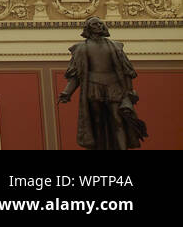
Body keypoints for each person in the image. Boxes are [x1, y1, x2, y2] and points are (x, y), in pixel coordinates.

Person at [58, 17, 147, 150]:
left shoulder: (115, 46)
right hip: (94, 86)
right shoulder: (82, 48)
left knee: (118, 119)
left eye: (101, 23)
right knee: (97, 122)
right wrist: (67, 92)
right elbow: (76, 75)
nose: (99, 26)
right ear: (88, 28)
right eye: (95, 24)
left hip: (114, 86)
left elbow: (126, 71)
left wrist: (129, 91)